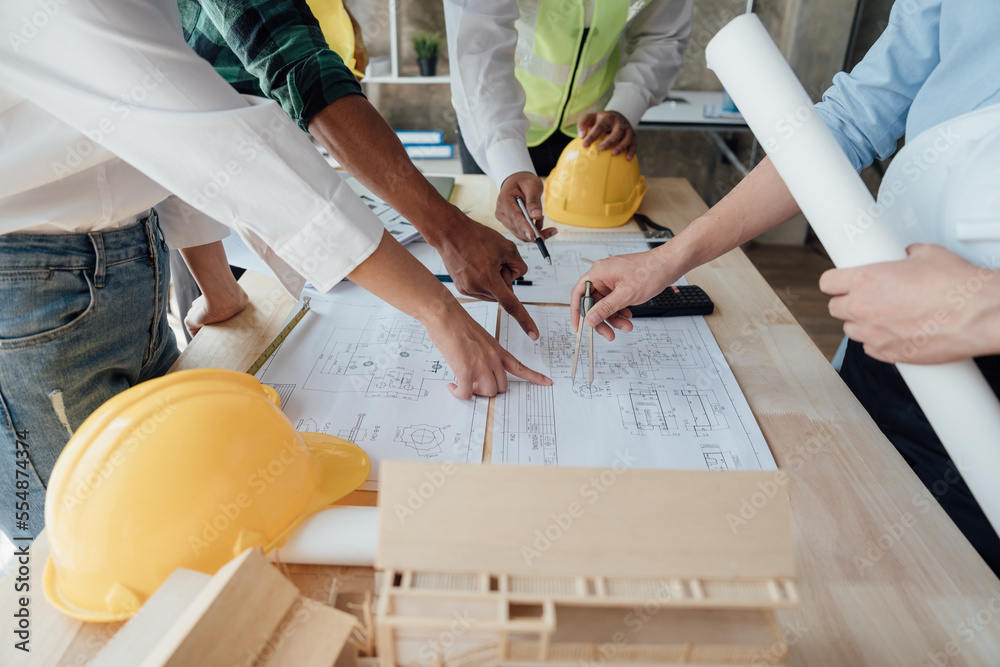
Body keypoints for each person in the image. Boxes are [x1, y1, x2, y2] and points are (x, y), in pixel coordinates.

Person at [0, 0, 549, 542]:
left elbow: (169, 125)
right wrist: (437, 308)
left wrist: (217, 287)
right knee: (85, 543)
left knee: (177, 518)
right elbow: (218, 137)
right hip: (35, 295)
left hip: (132, 255)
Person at [571, 0, 1000, 573]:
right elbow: (847, 123)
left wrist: (981, 307)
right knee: (842, 554)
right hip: (891, 325)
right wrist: (670, 260)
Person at [170, 0, 543, 342]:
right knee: (230, 355)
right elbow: (303, 71)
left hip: (276, 157)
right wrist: (450, 236)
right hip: (201, 197)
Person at [444, 0, 693, 243]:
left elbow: (662, 37)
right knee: (491, 243)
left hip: (592, 136)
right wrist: (508, 163)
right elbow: (478, 47)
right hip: (493, 126)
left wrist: (627, 105)